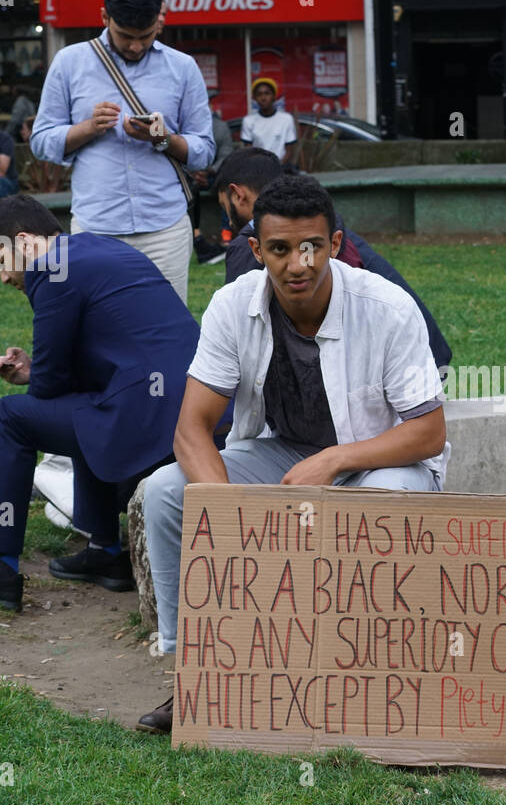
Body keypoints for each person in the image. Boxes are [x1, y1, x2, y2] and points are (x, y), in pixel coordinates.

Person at [136, 175, 448, 733]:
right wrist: (228, 511)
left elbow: (428, 433)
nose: (297, 264)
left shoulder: (386, 305)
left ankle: (361, 681)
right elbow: (191, 430)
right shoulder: (232, 304)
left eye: (311, 247)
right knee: (165, 491)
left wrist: (335, 460)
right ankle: (197, 672)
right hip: (281, 454)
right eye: (280, 249)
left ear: (335, 244)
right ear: (257, 250)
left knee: (378, 505)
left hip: (380, 462)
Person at [0, 194, 201, 611]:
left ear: (26, 242)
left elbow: (48, 391)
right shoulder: (102, 247)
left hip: (150, 415)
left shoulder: (50, 271)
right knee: (86, 405)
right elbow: (92, 361)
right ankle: (104, 552)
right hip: (195, 403)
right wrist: (36, 371)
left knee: (11, 417)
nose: (1, 277)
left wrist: (36, 378)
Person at [30, 0, 214, 303]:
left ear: (160, 17)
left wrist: (161, 137)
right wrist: (87, 128)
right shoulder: (69, 63)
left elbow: (204, 150)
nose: (135, 45)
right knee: (100, 329)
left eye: (145, 35)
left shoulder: (183, 68)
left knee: (167, 329)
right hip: (96, 227)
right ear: (104, 17)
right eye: (125, 35)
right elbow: (41, 140)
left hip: (165, 228)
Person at [218, 147, 452, 369]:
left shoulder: (247, 246)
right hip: (428, 358)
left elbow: (241, 338)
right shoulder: (328, 228)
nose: (298, 266)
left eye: (223, 207)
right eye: (280, 249)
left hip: (398, 375)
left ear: (238, 195)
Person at [190, 93, 234, 265]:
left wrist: (208, 171)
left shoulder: (220, 127)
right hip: (192, 176)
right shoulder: (187, 126)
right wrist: (193, 172)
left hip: (215, 176)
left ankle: (226, 235)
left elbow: (226, 156)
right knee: (185, 188)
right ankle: (197, 239)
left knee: (227, 187)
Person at [240, 78, 297, 162]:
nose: (263, 98)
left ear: (274, 96)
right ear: (255, 98)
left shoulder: (286, 119)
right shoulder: (248, 121)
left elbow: (290, 150)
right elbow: (248, 150)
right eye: (259, 94)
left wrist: (278, 166)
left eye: (267, 93)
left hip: (281, 169)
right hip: (257, 169)